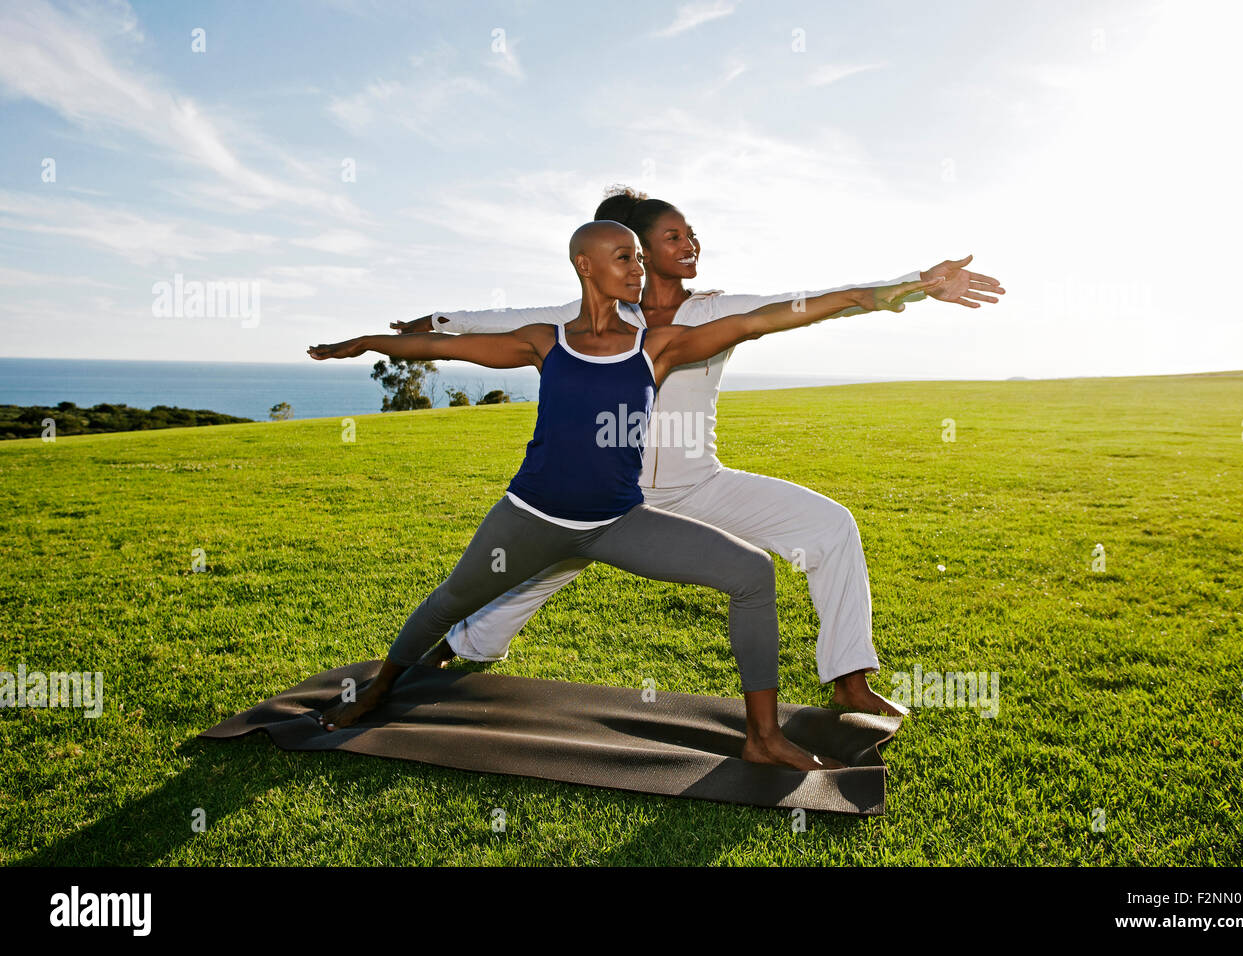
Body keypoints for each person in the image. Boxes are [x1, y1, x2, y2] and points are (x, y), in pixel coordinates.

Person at [307, 220, 944, 770]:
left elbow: (766, 319)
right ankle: (377, 688)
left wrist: (885, 291)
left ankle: (763, 737)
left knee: (752, 573)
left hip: (616, 522)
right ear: (586, 267)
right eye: (625, 258)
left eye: (640, 258)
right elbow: (444, 347)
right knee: (451, 600)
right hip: (529, 520)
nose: (638, 268)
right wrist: (367, 343)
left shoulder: (657, 347)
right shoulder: (544, 340)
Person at [389, 187, 1005, 716]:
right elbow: (502, 321)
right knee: (527, 578)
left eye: (692, 235)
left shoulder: (717, 310)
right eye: (674, 236)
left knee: (831, 527)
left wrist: (918, 287)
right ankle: (458, 652)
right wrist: (435, 325)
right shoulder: (594, 317)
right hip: (607, 497)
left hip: (700, 485)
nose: (691, 246)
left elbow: (819, 303)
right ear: (638, 248)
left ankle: (850, 683)